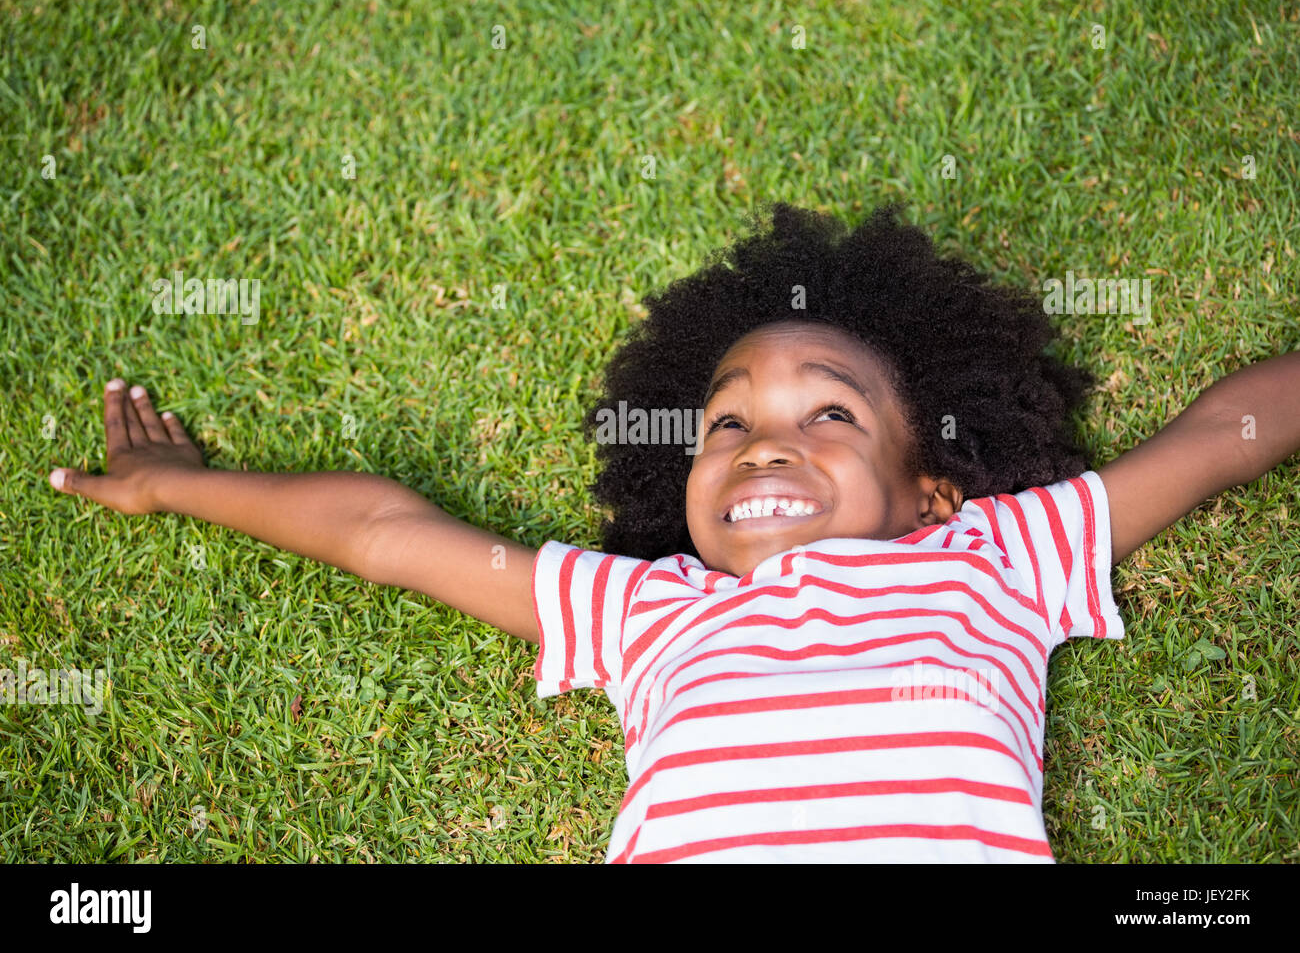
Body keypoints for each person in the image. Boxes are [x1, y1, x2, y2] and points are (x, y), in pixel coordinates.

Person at [48, 202, 1300, 862]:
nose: (766, 442)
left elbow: (1209, 440)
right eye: (726, 423)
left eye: (829, 413)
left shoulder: (995, 556)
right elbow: (385, 530)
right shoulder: (651, 610)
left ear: (931, 487)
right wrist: (177, 486)